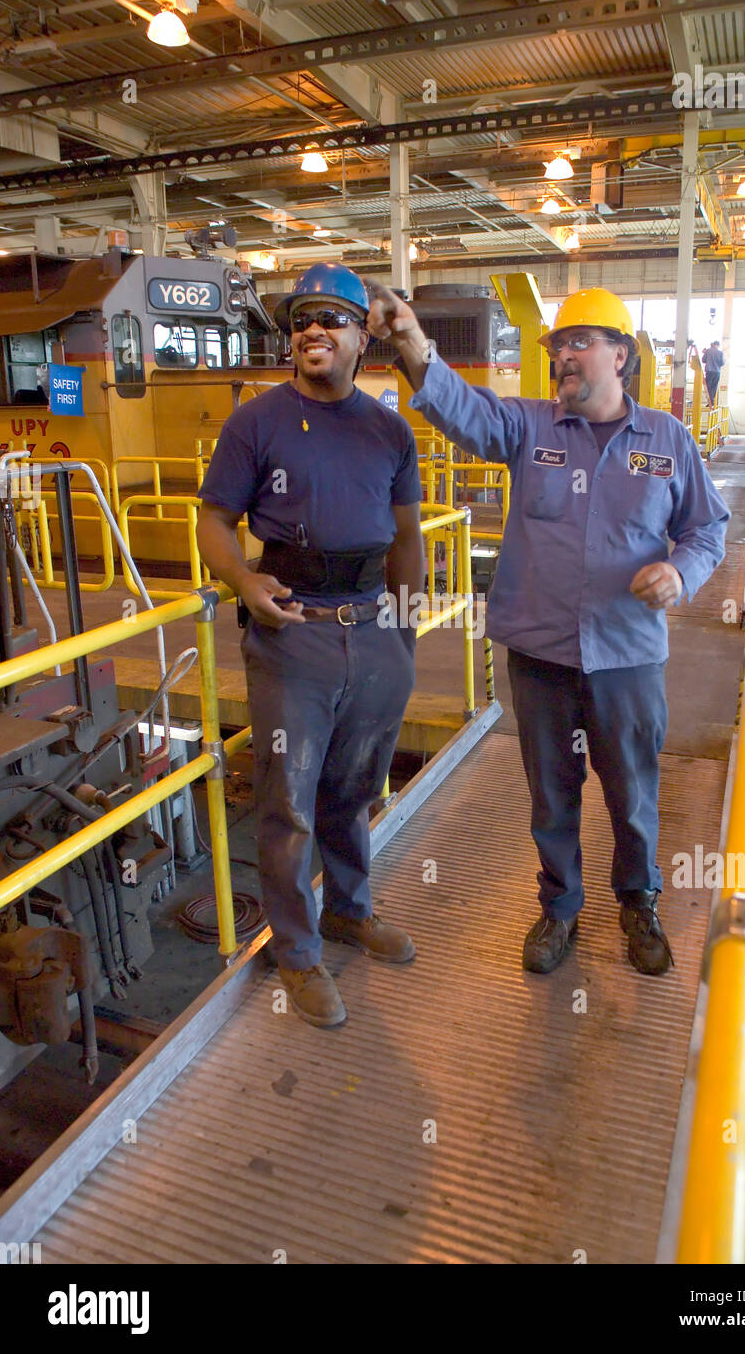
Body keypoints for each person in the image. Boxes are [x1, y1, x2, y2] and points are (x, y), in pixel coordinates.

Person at [365, 282, 730, 978]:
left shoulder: (667, 440)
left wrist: (682, 570)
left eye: (579, 342)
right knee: (552, 793)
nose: (564, 355)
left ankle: (639, 900)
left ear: (619, 356)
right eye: (559, 344)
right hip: (540, 656)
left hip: (627, 657)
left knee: (632, 788)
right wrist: (411, 342)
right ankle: (560, 906)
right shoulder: (528, 428)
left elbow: (709, 527)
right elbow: (461, 410)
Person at [196, 263, 425, 1028]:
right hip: (293, 636)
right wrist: (242, 582)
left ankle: (348, 911)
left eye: (330, 318)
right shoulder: (254, 423)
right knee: (289, 801)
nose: (312, 331)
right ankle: (296, 950)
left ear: (364, 336)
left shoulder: (391, 429)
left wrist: (406, 628)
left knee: (356, 788)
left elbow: (407, 536)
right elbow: (213, 523)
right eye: (300, 321)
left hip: (373, 629)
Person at [702, 340, 725, 406]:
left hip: (709, 371)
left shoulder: (708, 351)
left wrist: (704, 353)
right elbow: (722, 363)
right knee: (714, 387)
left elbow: (703, 360)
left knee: (708, 387)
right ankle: (711, 401)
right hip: (717, 372)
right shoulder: (720, 353)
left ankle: (710, 401)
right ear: (718, 345)